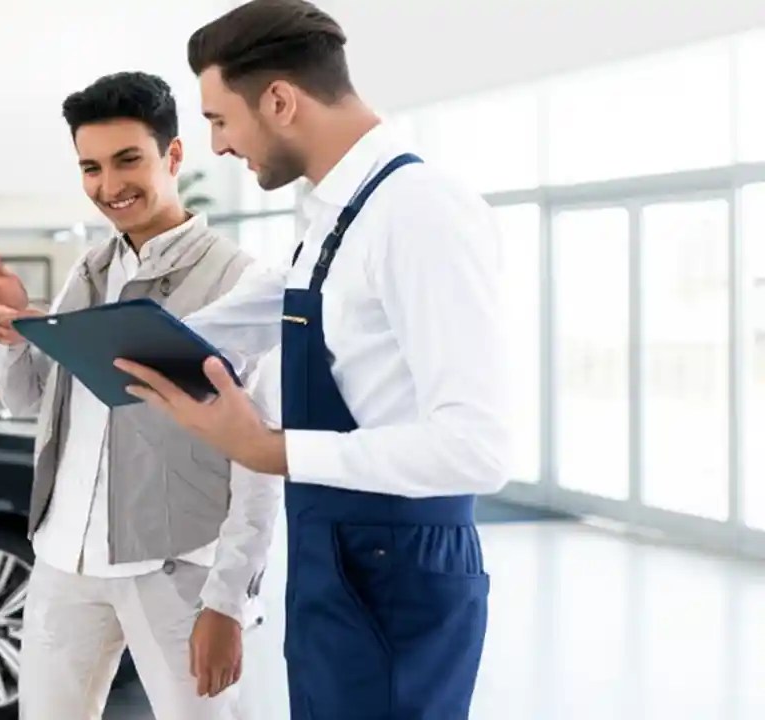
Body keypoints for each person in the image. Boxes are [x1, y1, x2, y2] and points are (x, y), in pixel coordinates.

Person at [113, 1, 512, 718]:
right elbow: (241, 318)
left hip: (399, 568)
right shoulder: (334, 215)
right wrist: (62, 337)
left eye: (219, 120)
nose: (219, 145)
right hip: (335, 554)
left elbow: (478, 449)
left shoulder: (419, 210)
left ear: (279, 100)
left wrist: (272, 451)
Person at [0, 71, 283, 720]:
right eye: (91, 167)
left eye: (128, 159)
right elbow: (32, 405)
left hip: (176, 569)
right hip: (64, 557)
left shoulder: (241, 280)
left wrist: (229, 600)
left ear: (174, 155)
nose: (109, 186)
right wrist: (16, 333)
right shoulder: (90, 271)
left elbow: (260, 456)